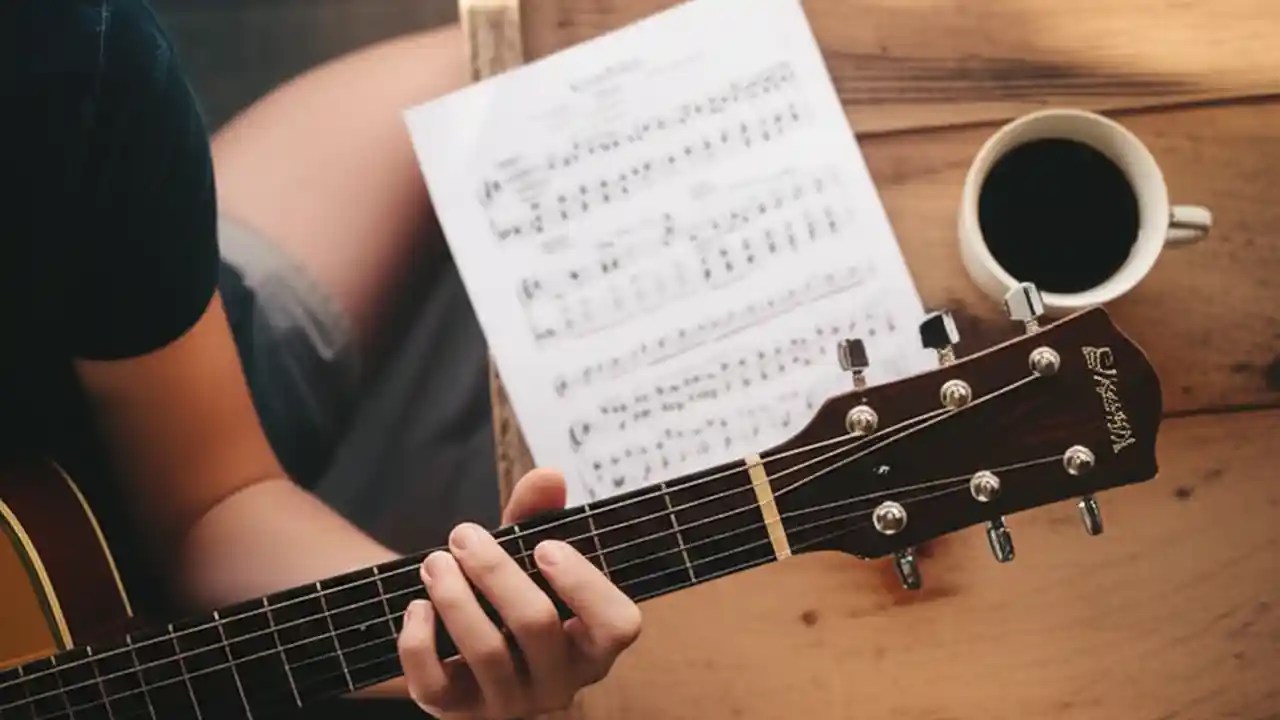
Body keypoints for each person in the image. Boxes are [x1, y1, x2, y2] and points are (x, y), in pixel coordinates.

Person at [0, 1, 641, 718]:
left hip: (164, 393)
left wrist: (463, 632)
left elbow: (212, 504)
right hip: (61, 579)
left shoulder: (65, 44)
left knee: (503, 62)